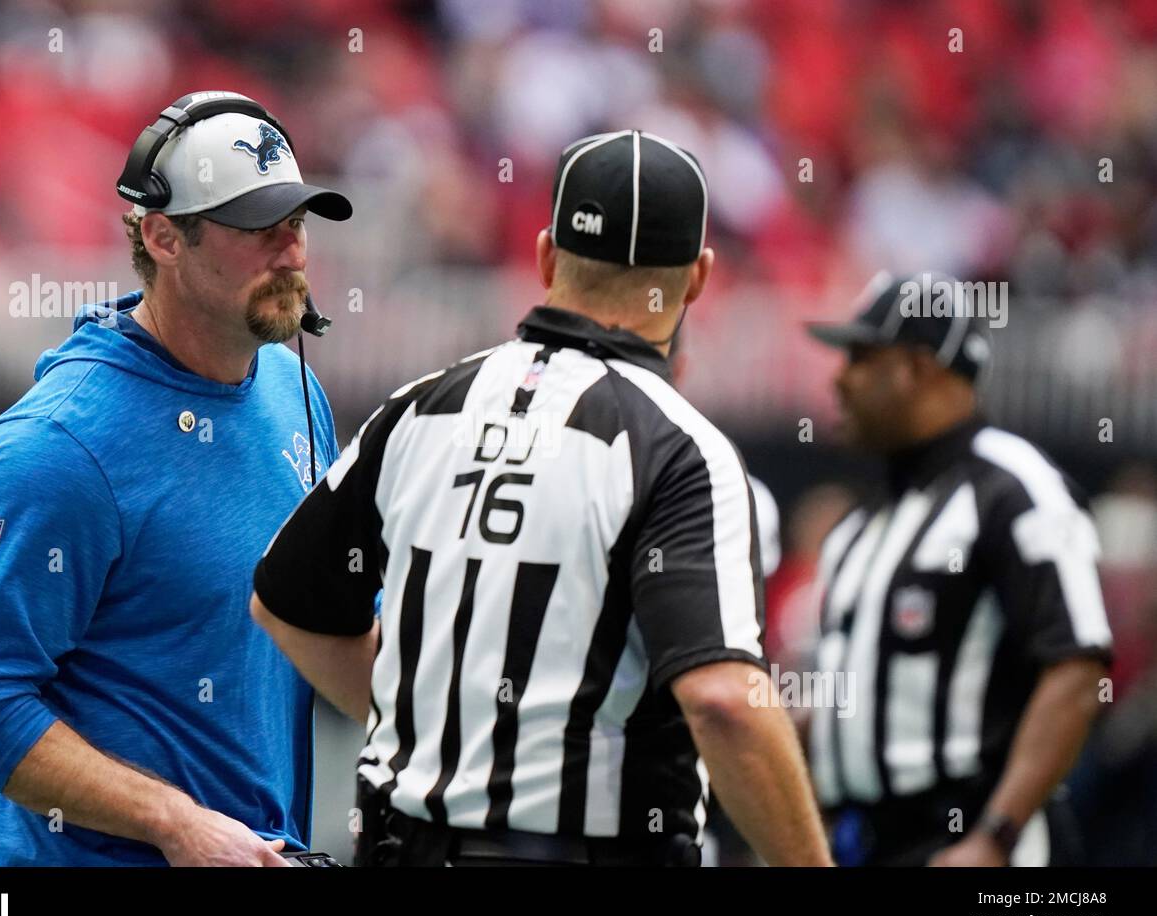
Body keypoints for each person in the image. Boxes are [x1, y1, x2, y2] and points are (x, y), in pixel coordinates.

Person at [252, 129, 831, 867]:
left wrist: (443, 727)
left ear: (546, 256)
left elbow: (287, 604)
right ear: (696, 279)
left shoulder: (421, 407)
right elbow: (722, 700)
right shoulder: (679, 448)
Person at [0, 91, 352, 866]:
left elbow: (334, 614)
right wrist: (174, 822)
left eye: (296, 222)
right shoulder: (59, 446)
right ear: (164, 237)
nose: (291, 253)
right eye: (258, 227)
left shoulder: (293, 384)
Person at [804, 271, 1113, 866]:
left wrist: (994, 837)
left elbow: (1077, 669)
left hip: (973, 841)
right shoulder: (861, 527)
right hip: (868, 843)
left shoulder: (1013, 489)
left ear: (918, 368)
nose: (839, 379)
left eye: (861, 357)